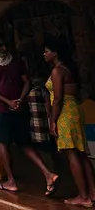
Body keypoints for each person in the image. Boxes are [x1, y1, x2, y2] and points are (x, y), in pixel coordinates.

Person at [0, 33, 58, 195]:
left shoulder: (16, 62)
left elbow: (26, 81)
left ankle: (13, 181)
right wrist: (10, 101)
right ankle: (46, 174)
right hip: (6, 107)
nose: (4, 48)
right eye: (0, 45)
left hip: (10, 109)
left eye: (5, 45)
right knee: (20, 144)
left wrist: (20, 99)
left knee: (6, 143)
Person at [44, 39, 95, 206]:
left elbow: (57, 98)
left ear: (55, 53)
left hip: (64, 113)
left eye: (47, 51)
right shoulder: (69, 68)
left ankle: (83, 196)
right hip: (74, 110)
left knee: (71, 155)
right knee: (82, 154)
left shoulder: (57, 71)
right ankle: (92, 192)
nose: (44, 54)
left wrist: (52, 121)